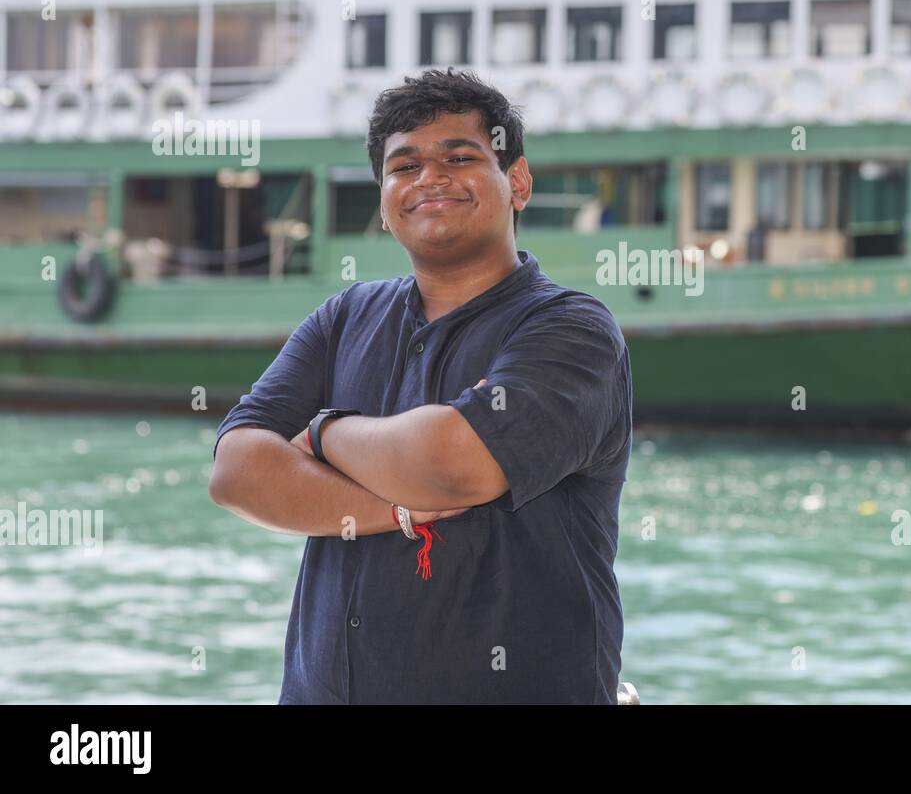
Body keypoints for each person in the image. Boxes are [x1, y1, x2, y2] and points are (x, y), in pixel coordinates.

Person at [208, 68, 632, 704]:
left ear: (517, 182)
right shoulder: (344, 317)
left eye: (460, 157)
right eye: (403, 167)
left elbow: (454, 463)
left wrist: (324, 432)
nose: (429, 178)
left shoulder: (572, 330)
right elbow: (236, 471)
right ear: (384, 199)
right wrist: (396, 509)